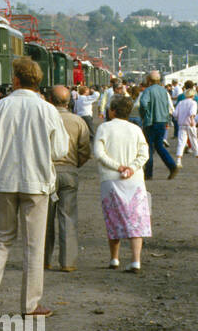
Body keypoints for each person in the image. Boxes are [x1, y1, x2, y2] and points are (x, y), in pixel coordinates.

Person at [0, 57, 70, 318]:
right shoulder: (48, 110)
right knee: (33, 245)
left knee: (0, 239)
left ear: (16, 79)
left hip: (4, 183)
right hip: (37, 184)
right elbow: (60, 150)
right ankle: (30, 305)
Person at [92, 94, 152, 271]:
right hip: (134, 179)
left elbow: (99, 153)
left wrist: (117, 167)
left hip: (110, 179)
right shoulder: (136, 129)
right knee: (137, 219)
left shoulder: (104, 128)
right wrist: (132, 168)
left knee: (113, 217)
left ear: (112, 110)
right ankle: (136, 260)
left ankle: (114, 258)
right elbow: (144, 154)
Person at [45, 85, 91, 272]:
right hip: (69, 172)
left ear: (49, 100)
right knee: (68, 218)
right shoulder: (78, 121)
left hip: (46, 174)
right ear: (69, 101)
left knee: (44, 219)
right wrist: (74, 165)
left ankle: (43, 260)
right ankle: (68, 262)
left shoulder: (43, 119)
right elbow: (85, 150)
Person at [138, 70, 179, 180]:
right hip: (162, 121)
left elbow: (143, 104)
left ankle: (148, 173)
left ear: (149, 80)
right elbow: (167, 106)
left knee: (149, 147)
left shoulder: (148, 91)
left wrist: (144, 115)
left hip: (151, 122)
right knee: (159, 146)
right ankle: (172, 166)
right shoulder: (164, 91)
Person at [174, 81, 198, 161]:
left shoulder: (180, 102)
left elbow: (175, 114)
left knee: (181, 142)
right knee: (194, 141)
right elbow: (192, 112)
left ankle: (178, 160)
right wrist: (193, 121)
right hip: (190, 124)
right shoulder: (193, 102)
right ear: (192, 95)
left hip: (181, 124)